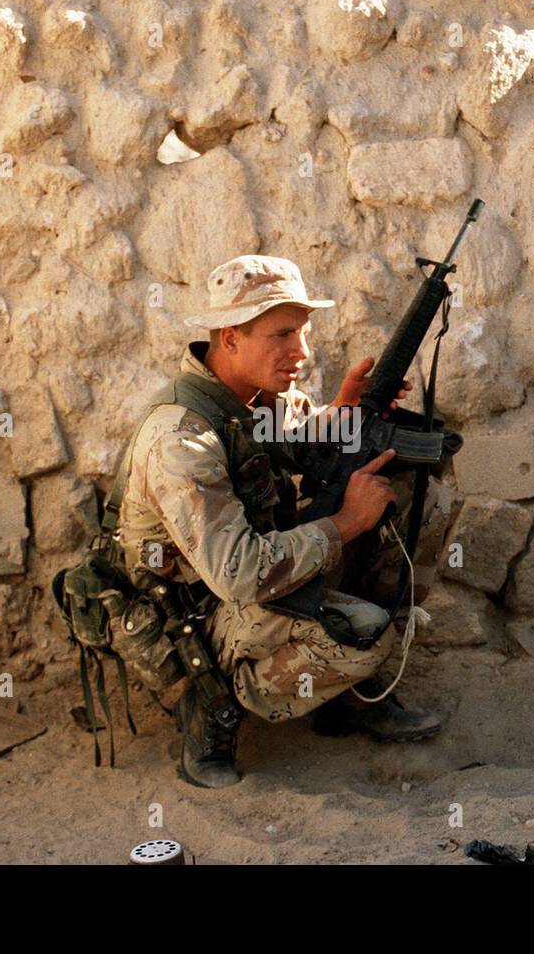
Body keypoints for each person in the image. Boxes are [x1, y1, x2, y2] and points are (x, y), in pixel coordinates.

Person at [115, 254, 446, 788]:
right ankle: (210, 710)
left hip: (256, 579)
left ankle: (345, 695)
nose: (301, 352)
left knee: (417, 498)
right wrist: (344, 524)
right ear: (229, 338)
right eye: (282, 334)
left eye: (304, 332)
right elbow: (239, 573)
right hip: (192, 615)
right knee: (363, 635)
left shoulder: (255, 399)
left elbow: (293, 440)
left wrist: (343, 408)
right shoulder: (181, 438)